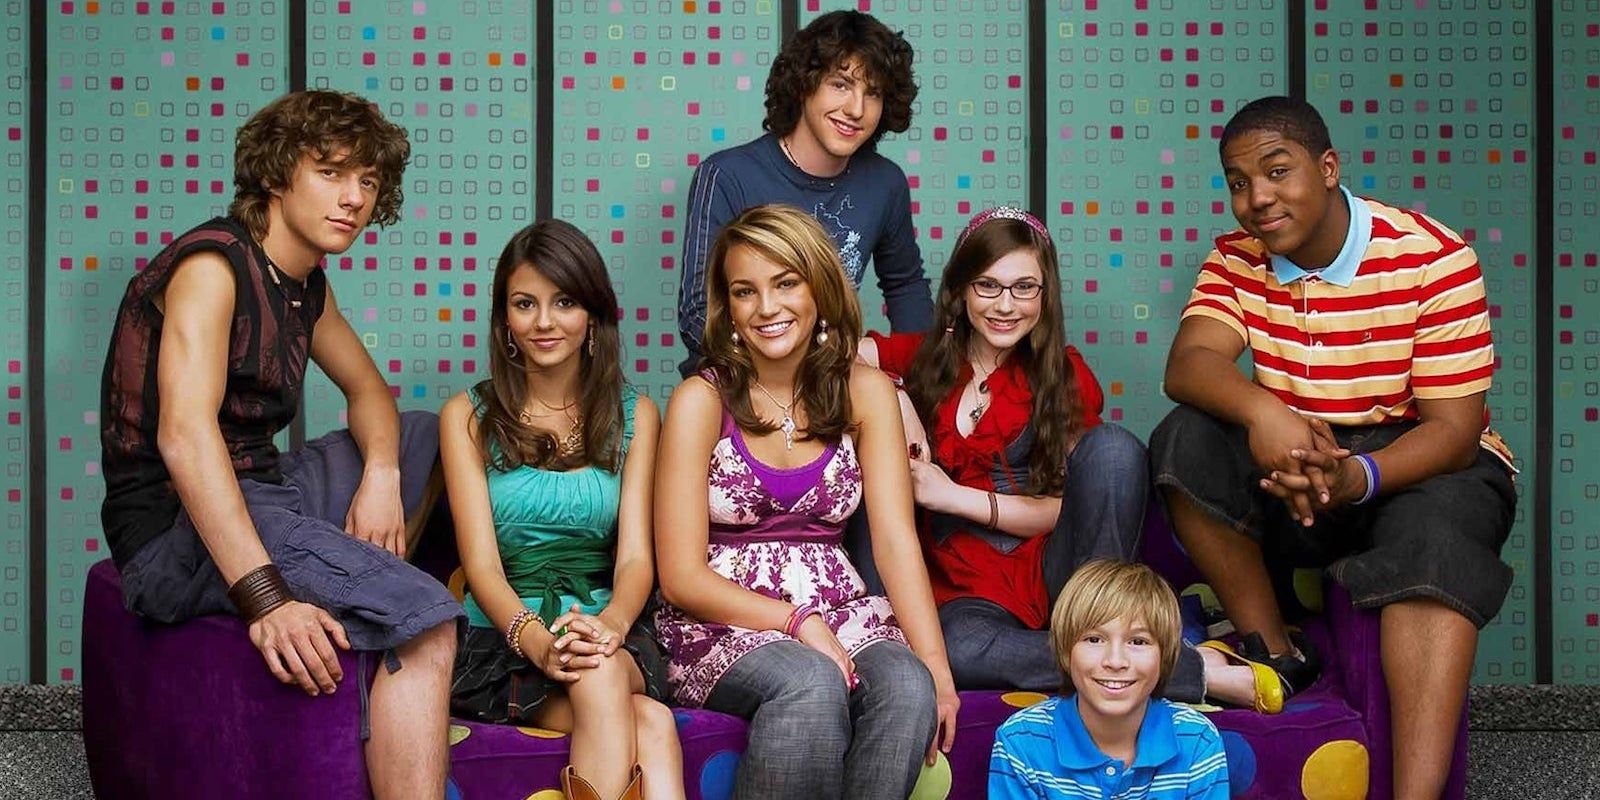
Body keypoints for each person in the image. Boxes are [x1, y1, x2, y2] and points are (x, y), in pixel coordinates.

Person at [1151, 95, 1516, 799]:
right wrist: (1265, 412)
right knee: (1182, 441)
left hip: (1419, 462)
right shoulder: (1236, 258)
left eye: (1276, 171)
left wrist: (1356, 476)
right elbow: (1189, 364)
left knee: (1439, 539)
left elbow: (1454, 431)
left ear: (1327, 168)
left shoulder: (1433, 257)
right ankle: (1277, 653)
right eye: (1237, 182)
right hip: (1298, 455)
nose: (1257, 199)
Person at [99, 90, 461, 798]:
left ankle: (360, 583)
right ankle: (393, 611)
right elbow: (184, 436)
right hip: (175, 532)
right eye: (331, 172)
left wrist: (381, 474)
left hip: (266, 491)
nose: (354, 198)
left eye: (368, 181)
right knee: (426, 624)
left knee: (428, 430)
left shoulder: (303, 285)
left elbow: (369, 392)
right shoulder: (211, 268)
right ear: (275, 174)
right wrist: (266, 599)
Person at [858, 207, 1266, 710]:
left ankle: (1105, 631)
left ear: (1045, 294)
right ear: (961, 290)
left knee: (1114, 449)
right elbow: (828, 355)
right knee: (957, 651)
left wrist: (953, 496)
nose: (1005, 305)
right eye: (987, 286)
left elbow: (1065, 507)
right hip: (966, 587)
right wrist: (894, 395)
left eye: (1024, 288)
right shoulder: (922, 357)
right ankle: (1182, 667)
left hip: (1060, 573)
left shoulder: (1061, 375)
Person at [653, 204, 959, 799]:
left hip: (841, 610)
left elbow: (895, 541)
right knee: (810, 682)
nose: (766, 307)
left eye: (786, 283)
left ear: (819, 287)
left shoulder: (866, 391)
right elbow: (681, 577)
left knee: (908, 686)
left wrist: (936, 666)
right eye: (745, 291)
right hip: (721, 622)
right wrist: (796, 621)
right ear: (728, 308)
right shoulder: (700, 400)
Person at [440, 220, 682, 800]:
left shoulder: (637, 415)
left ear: (593, 315)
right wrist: (537, 642)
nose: (544, 322)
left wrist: (610, 628)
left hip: (606, 630)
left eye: (565, 302)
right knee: (651, 723)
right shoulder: (467, 416)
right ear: (505, 320)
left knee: (600, 672)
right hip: (502, 639)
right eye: (525, 304)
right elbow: (481, 567)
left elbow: (635, 559)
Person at [675, 9, 933, 376]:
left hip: (833, 379)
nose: (856, 109)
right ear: (803, 83)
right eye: (840, 84)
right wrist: (787, 370)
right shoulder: (727, 176)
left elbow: (906, 286)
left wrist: (912, 370)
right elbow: (698, 314)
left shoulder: (885, 184)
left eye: (873, 93)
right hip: (737, 378)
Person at [988, 560, 1229, 800]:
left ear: (1163, 656)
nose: (1115, 661)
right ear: (1067, 651)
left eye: (1138, 641)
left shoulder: (1197, 740)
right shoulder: (1022, 740)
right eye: (1094, 639)